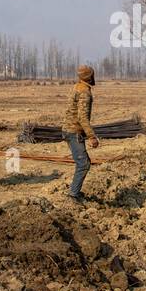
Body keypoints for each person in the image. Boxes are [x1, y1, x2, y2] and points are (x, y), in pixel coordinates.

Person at [61, 64, 99, 200]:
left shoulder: (78, 87)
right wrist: (92, 136)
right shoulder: (84, 92)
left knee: (83, 162)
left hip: (69, 130)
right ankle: (73, 194)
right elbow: (82, 117)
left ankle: (75, 192)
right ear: (90, 77)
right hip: (73, 132)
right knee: (83, 164)